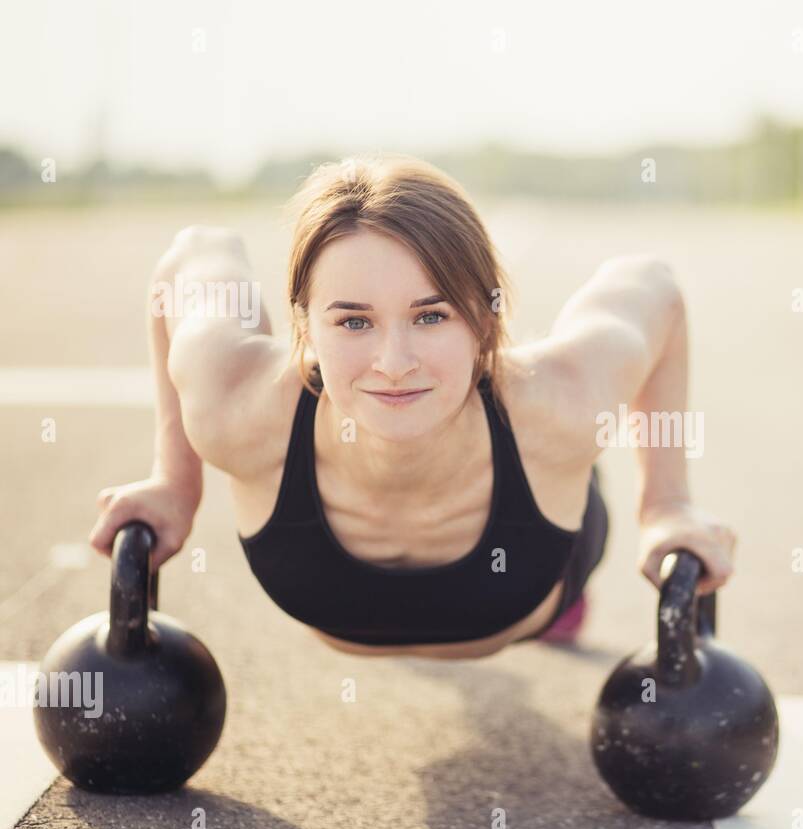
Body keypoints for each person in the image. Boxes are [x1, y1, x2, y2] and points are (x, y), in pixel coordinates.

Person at [87, 154, 735, 660]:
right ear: (306, 326)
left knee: (561, 449)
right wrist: (176, 482)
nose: (394, 363)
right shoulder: (237, 404)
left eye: (431, 315)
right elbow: (189, 254)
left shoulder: (561, 403)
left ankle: (568, 598)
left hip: (536, 553)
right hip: (352, 582)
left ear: (483, 319)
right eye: (353, 323)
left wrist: (667, 504)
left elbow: (654, 286)